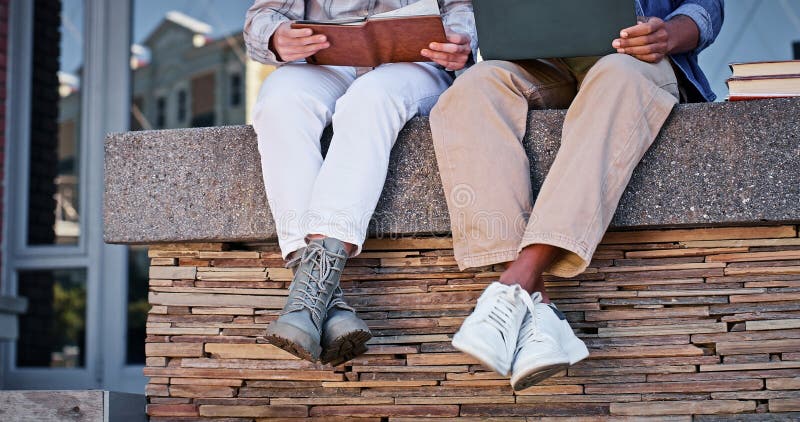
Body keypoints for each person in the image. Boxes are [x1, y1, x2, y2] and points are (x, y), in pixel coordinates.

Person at [430, 0, 723, 390]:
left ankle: (514, 284)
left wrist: (668, 35)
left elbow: (707, 7)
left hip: (634, 55)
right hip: (541, 60)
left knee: (618, 76)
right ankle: (540, 313)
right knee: (472, 89)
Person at [244, 0, 477, 365]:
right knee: (279, 102)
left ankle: (306, 308)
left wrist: (463, 39)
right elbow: (263, 16)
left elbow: (463, 7)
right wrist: (275, 37)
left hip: (414, 66)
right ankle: (328, 304)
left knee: (369, 100)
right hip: (325, 62)